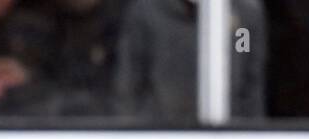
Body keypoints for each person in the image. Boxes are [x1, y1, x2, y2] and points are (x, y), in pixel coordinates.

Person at [114, 0, 267, 122]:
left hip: (227, 135)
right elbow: (129, 86)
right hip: (162, 135)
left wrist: (249, 134)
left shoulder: (245, 20)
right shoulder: (145, 12)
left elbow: (250, 80)